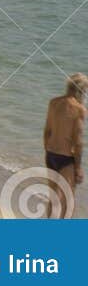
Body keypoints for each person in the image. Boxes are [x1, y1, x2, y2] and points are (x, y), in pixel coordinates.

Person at [43, 73, 86, 217]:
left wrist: (48, 152)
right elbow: (78, 142)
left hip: (51, 155)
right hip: (66, 158)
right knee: (68, 202)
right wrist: (78, 168)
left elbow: (47, 132)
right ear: (81, 90)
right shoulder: (79, 109)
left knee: (53, 198)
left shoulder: (53, 102)